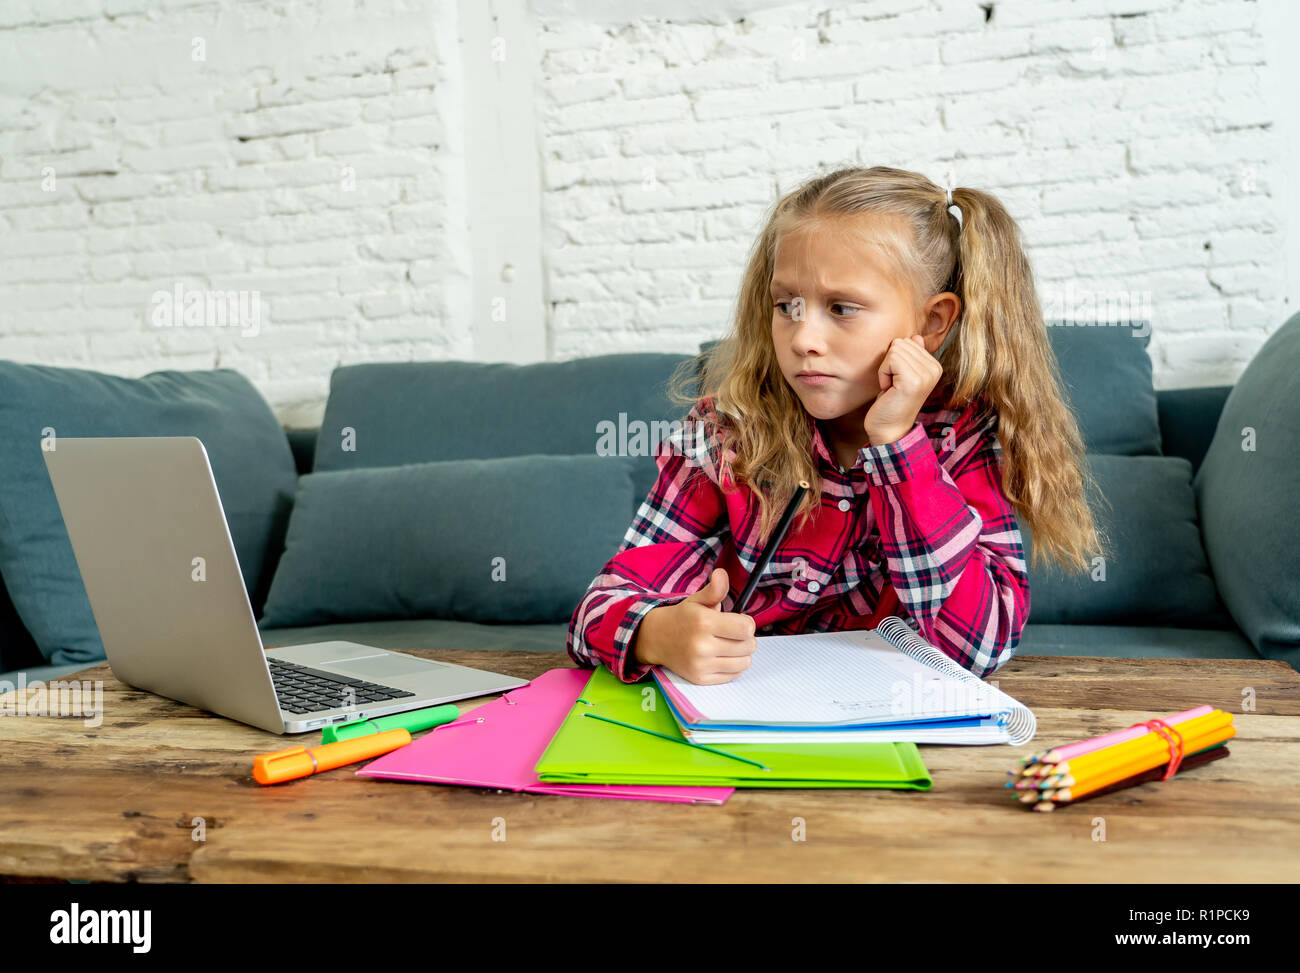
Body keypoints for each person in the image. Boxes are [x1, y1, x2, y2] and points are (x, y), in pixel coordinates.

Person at [567, 165, 1107, 686]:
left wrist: (899, 449)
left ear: (932, 322)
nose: (803, 339)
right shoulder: (725, 434)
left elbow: (977, 648)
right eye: (787, 306)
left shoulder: (961, 437)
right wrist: (657, 634)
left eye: (843, 308)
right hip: (740, 710)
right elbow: (597, 609)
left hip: (891, 726)